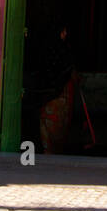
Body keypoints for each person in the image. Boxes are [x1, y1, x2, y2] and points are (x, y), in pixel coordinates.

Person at [37, 25, 75, 155]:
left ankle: (48, 150)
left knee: (47, 123)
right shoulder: (62, 50)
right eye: (63, 31)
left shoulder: (46, 50)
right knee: (58, 125)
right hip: (59, 96)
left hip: (47, 94)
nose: (65, 34)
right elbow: (67, 70)